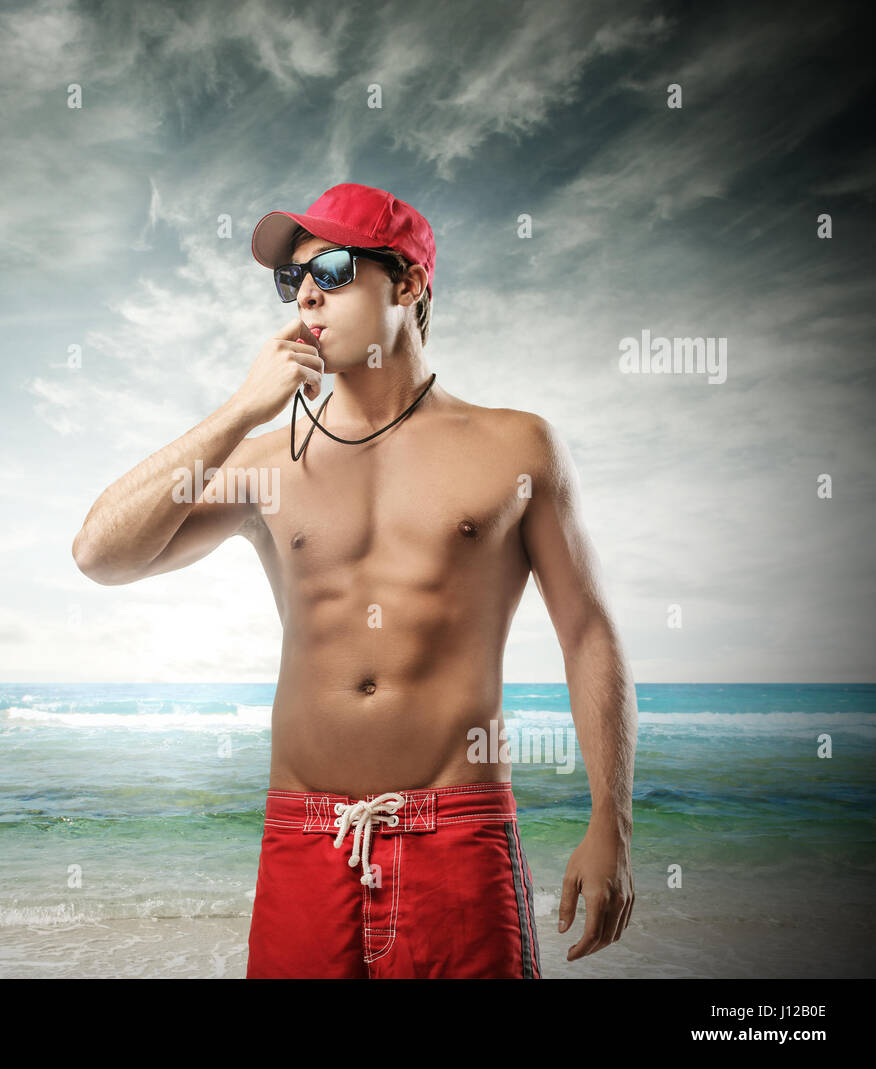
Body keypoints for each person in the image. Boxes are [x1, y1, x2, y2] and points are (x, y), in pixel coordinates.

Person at [72, 182, 637, 978]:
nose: (305, 291)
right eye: (290, 278)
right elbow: (101, 552)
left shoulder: (516, 447)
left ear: (408, 283)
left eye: (332, 269)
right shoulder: (266, 461)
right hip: (304, 838)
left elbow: (588, 633)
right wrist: (239, 410)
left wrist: (610, 822)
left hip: (459, 833)